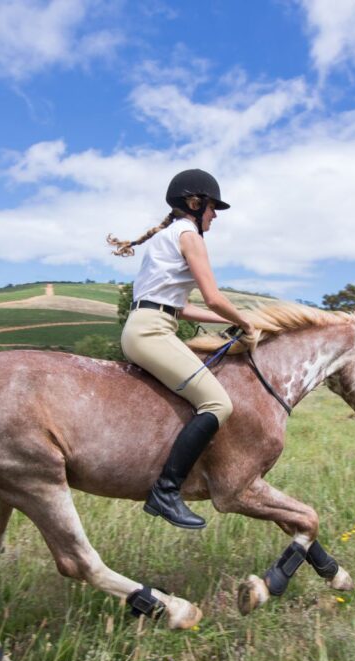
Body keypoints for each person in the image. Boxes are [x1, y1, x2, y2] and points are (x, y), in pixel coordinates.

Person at [106, 169, 258, 529]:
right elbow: (214, 297)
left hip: (148, 325)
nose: (215, 215)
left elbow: (181, 306)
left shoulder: (167, 236)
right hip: (152, 332)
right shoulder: (189, 235)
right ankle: (167, 491)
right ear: (195, 203)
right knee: (218, 404)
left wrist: (228, 321)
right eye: (212, 207)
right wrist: (248, 323)